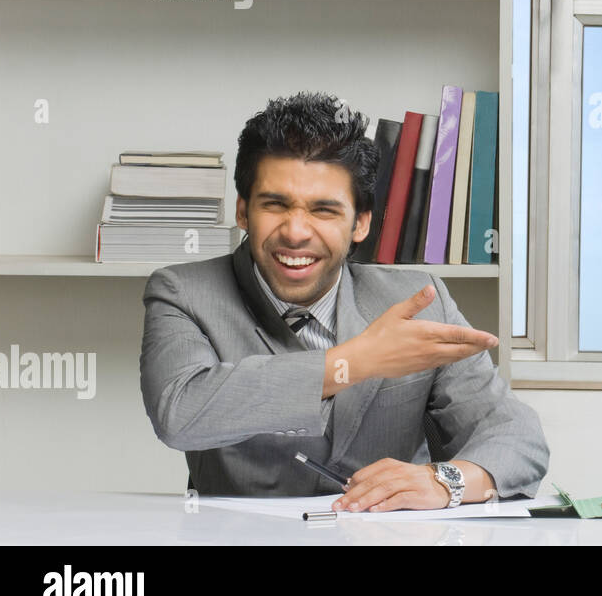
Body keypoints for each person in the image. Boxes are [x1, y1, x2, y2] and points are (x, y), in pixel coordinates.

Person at [139, 91, 549, 510]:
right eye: (275, 204)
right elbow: (179, 413)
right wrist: (352, 362)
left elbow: (517, 437)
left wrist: (446, 481)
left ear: (361, 223)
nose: (296, 232)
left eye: (324, 210)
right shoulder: (182, 292)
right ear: (243, 212)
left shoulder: (417, 298)